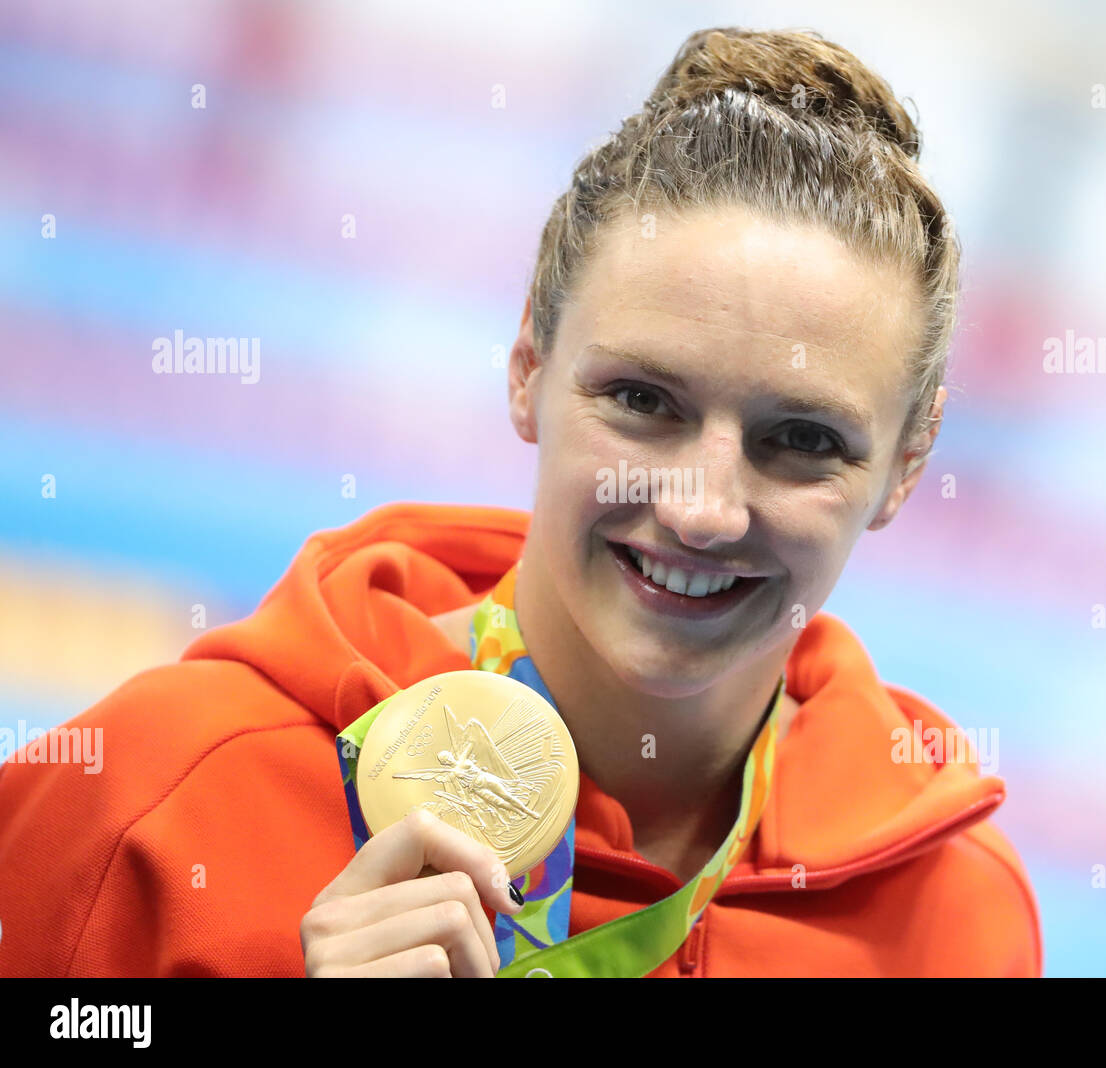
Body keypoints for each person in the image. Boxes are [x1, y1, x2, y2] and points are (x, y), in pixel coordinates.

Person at [0, 25, 1041, 977]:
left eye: (802, 441)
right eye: (642, 401)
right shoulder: (153, 800)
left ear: (907, 464)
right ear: (528, 366)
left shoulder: (951, 918)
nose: (703, 511)